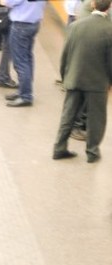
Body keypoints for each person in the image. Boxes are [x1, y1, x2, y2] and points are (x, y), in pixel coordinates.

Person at [52, 0, 112, 163]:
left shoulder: (75, 26)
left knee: (68, 115)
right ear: (109, 7)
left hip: (75, 77)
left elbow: (65, 55)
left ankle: (59, 148)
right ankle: (92, 152)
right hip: (97, 83)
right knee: (96, 118)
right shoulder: (109, 30)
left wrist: (65, 77)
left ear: (92, 5)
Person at [5, 0, 48, 107]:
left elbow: (8, 2)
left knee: (20, 62)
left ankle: (25, 96)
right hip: (34, 23)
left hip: (21, 25)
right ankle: (24, 89)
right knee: (27, 58)